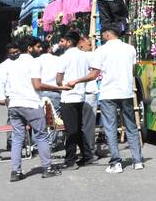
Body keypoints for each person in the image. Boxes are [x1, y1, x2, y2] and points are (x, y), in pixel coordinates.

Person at [80, 25, 145, 173]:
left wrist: (77, 81)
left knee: (110, 127)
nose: (101, 36)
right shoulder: (130, 48)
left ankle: (116, 162)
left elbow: (94, 74)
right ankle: (138, 160)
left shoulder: (101, 50)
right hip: (126, 92)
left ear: (108, 34)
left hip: (108, 93)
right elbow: (133, 70)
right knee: (131, 126)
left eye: (103, 34)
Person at [5, 37, 62, 181]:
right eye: (37, 47)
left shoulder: (11, 63)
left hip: (14, 104)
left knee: (18, 138)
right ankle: (47, 168)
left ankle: (15, 171)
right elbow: (37, 85)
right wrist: (58, 88)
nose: (40, 49)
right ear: (29, 48)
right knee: (41, 136)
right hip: (30, 103)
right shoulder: (34, 62)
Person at [56, 31, 95, 169]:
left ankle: (70, 160)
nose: (62, 43)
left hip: (68, 97)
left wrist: (61, 85)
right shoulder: (85, 56)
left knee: (71, 130)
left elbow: (59, 79)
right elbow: (94, 72)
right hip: (80, 96)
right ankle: (87, 155)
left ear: (69, 42)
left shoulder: (64, 57)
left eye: (64, 41)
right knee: (77, 128)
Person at [38, 36, 67, 151]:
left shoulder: (36, 61)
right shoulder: (58, 60)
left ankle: (40, 143)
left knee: (40, 119)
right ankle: (50, 142)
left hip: (40, 92)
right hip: (55, 92)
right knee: (54, 118)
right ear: (49, 49)